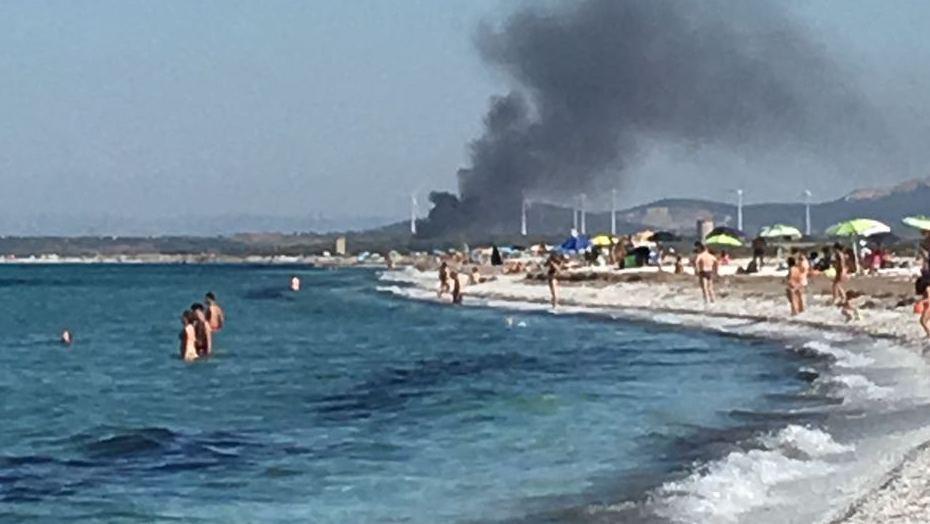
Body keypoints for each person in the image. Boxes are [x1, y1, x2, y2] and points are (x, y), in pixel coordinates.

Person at [794, 248, 810, 313]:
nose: (800, 256)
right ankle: (801, 308)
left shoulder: (803, 262)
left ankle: (801, 308)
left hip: (801, 279)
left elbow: (802, 270)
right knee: (799, 294)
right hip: (802, 279)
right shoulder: (804, 261)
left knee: (800, 294)